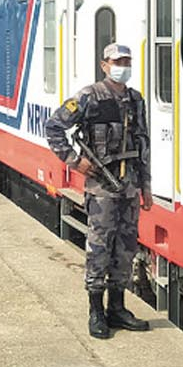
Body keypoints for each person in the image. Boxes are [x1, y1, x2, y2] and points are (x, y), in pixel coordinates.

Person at [44, 43, 152, 339]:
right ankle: (96, 311)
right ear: (104, 65)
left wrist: (146, 187)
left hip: (129, 189)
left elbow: (143, 145)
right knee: (100, 249)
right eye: (117, 61)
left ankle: (117, 308)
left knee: (125, 249)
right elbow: (53, 127)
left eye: (127, 60)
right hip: (101, 189)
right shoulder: (89, 97)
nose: (123, 65)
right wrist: (74, 161)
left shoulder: (135, 99)